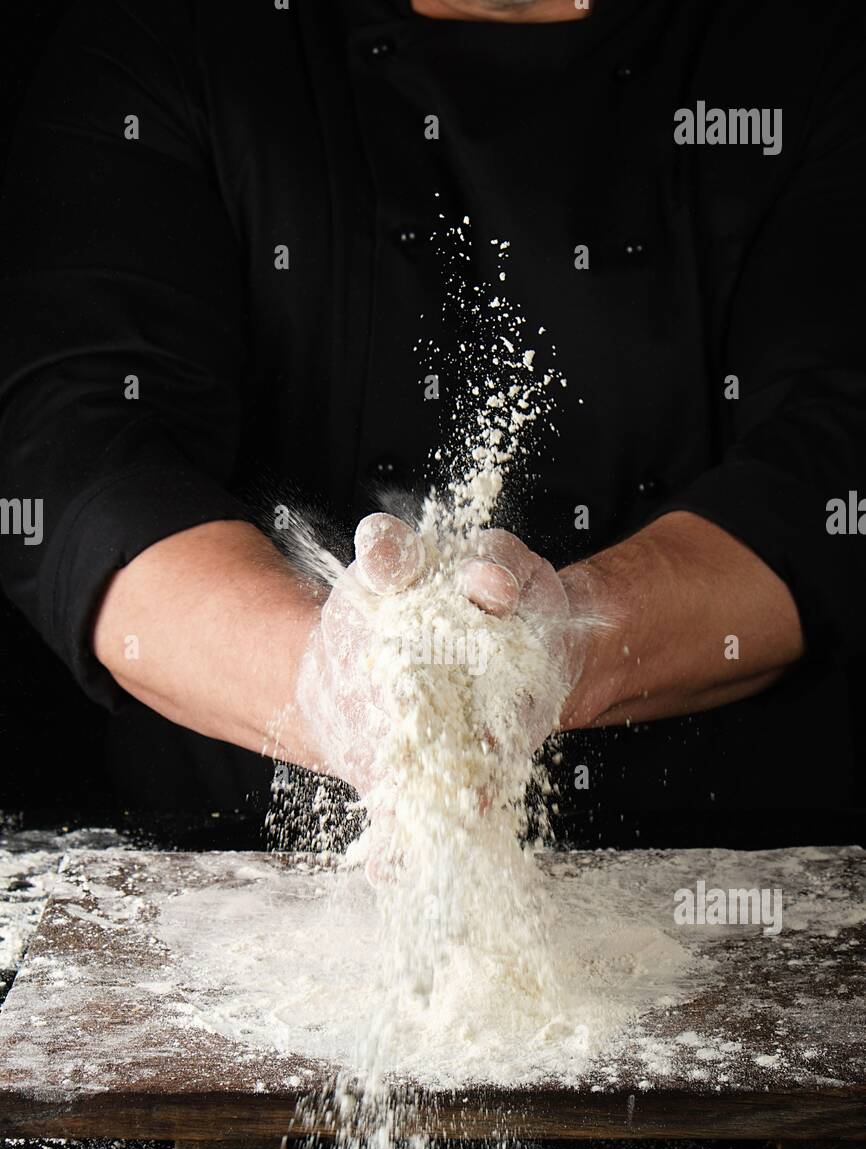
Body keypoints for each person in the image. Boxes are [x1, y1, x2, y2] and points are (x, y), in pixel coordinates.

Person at [0, 0, 864, 840]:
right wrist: (330, 688)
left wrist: (566, 646)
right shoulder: (177, 29)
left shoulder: (806, 42)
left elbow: (834, 461)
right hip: (228, 869)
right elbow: (80, 450)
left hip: (729, 865)